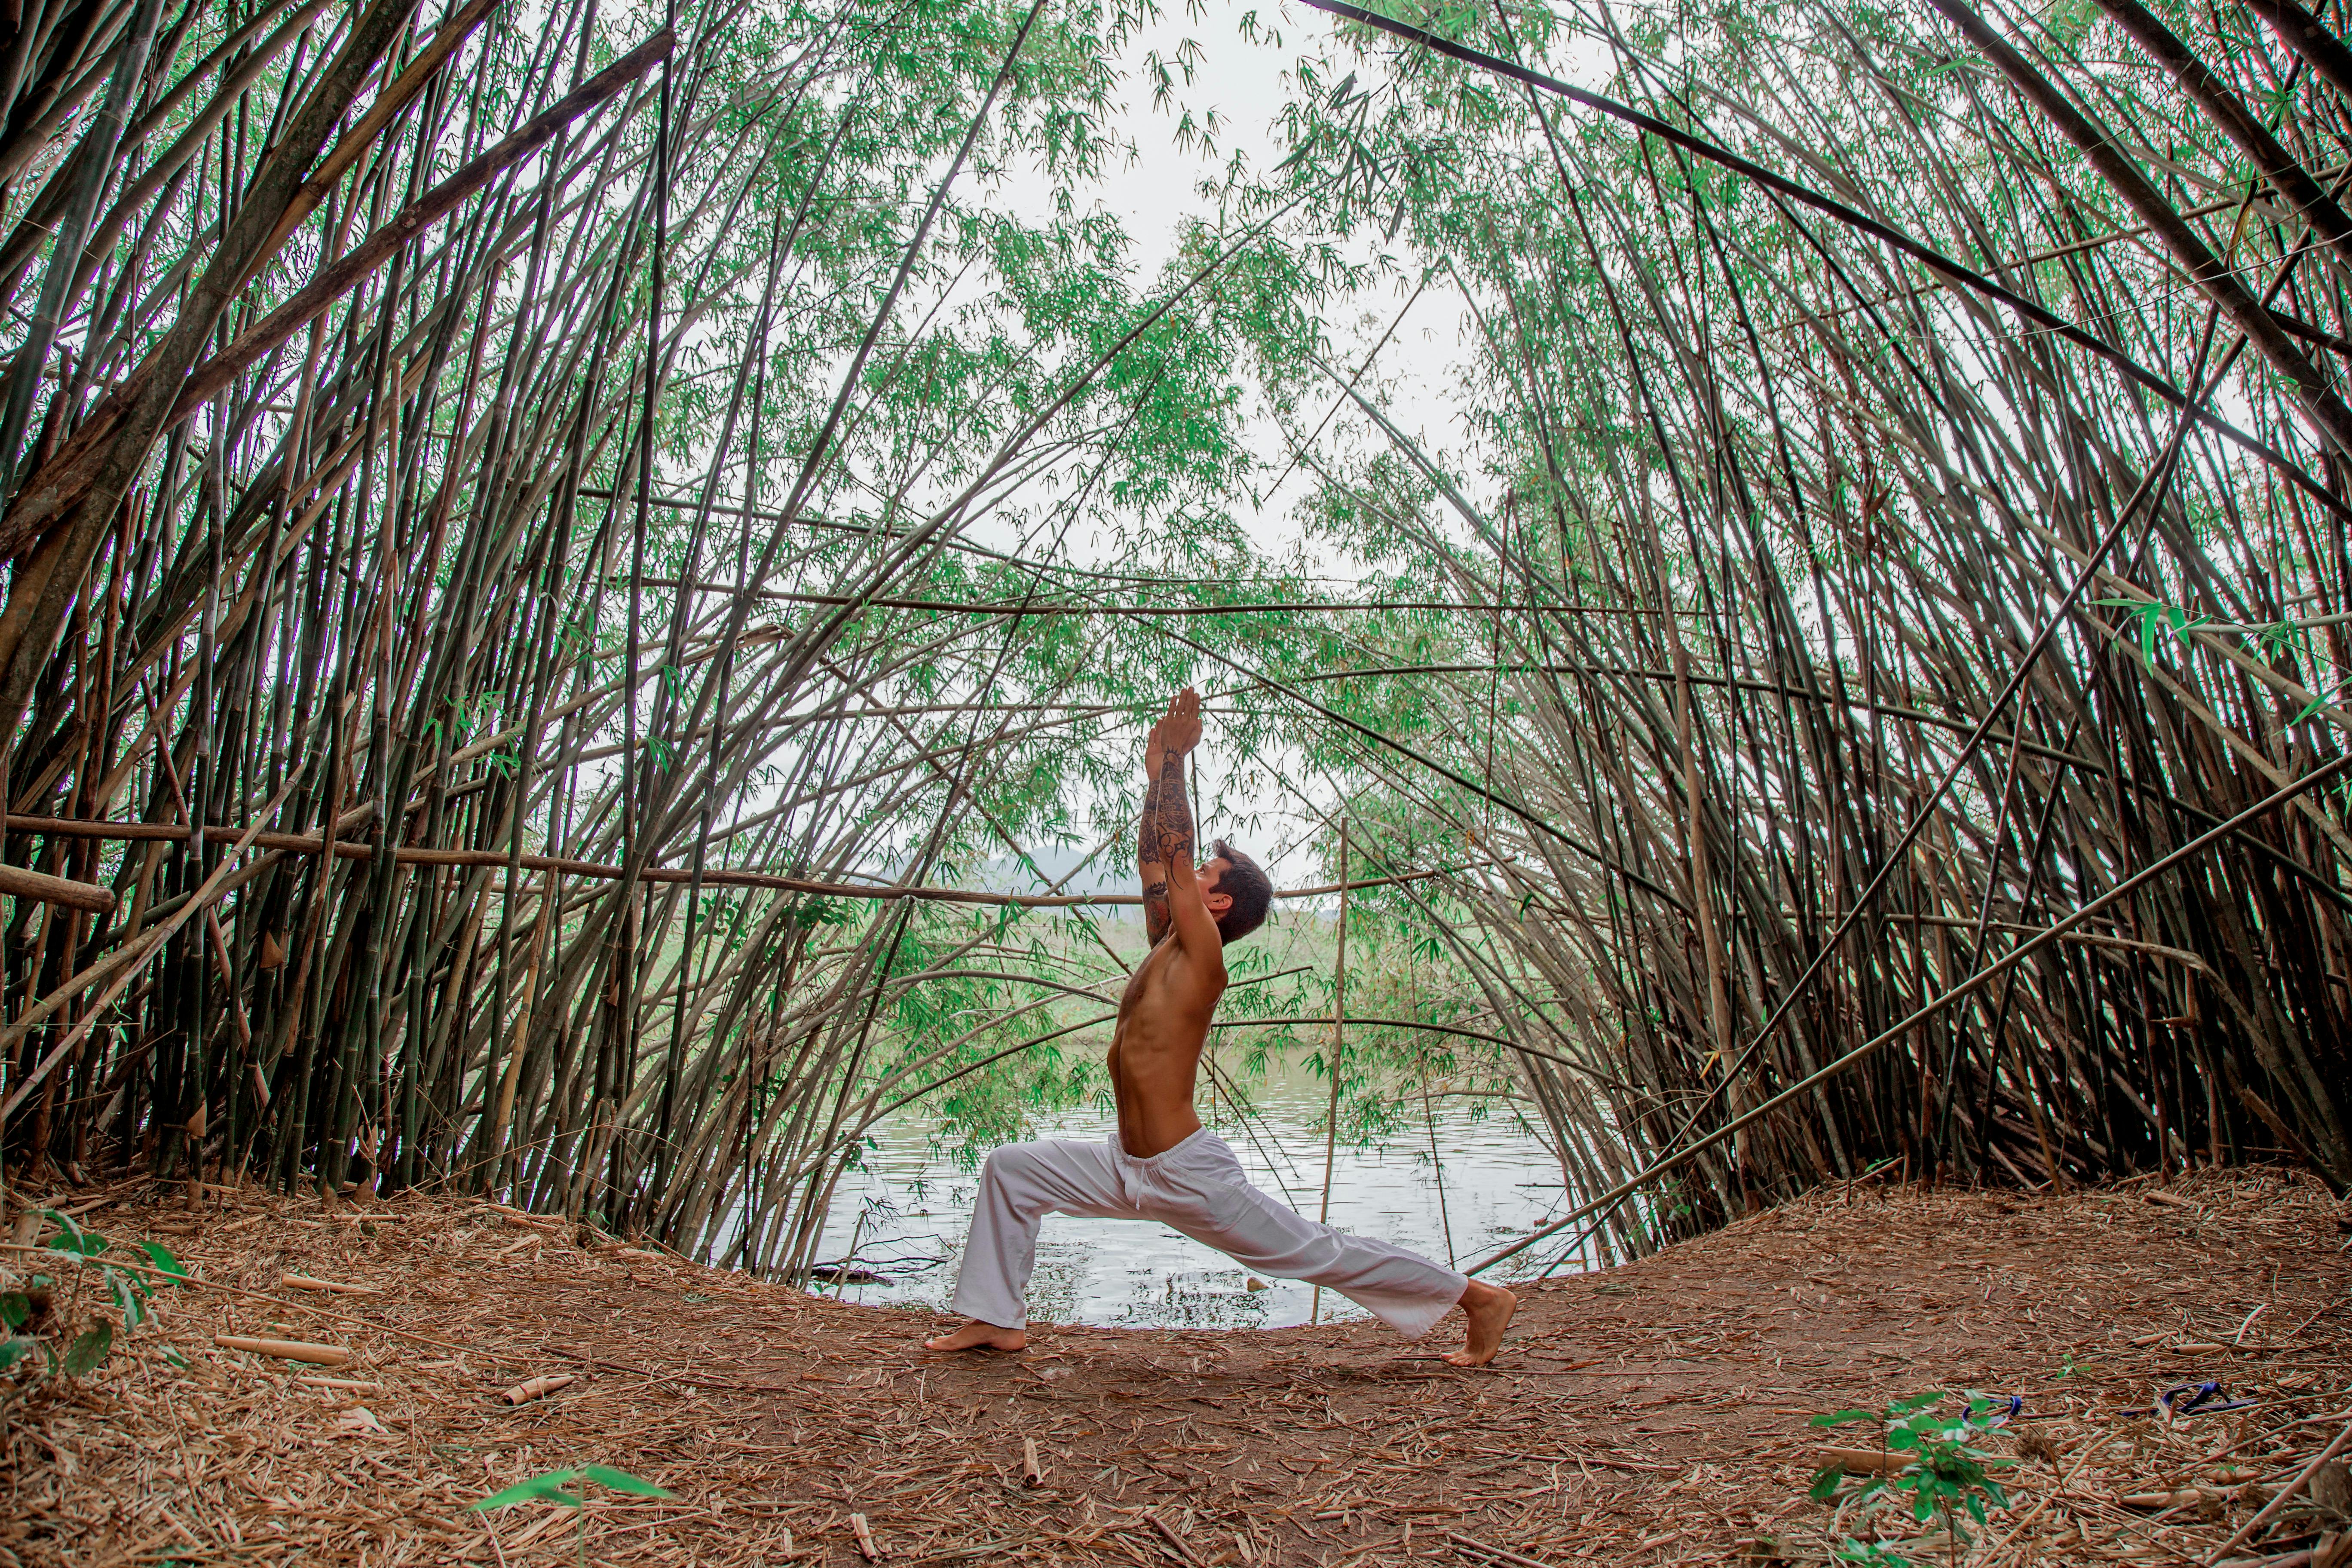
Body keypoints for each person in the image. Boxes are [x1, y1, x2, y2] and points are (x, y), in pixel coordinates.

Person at [924, 688, 1518, 1365]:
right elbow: (1156, 861)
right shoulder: (1167, 945)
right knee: (1012, 1170)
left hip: (1186, 1173)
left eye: (1205, 873)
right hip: (1126, 1165)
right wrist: (1156, 772)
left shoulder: (1203, 957)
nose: (1187, 874)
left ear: (1218, 901)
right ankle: (996, 1319)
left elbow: (1173, 855)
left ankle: (1478, 1298)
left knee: (1315, 1251)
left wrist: (1176, 761)